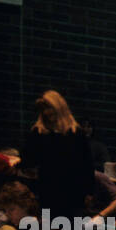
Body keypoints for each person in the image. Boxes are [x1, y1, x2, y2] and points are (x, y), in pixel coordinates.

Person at [22, 90, 93, 219]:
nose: (47, 112)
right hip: (48, 193)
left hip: (73, 195)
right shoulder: (38, 133)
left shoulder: (76, 134)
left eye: (49, 108)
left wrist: (88, 192)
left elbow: (87, 166)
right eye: (44, 109)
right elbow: (28, 161)